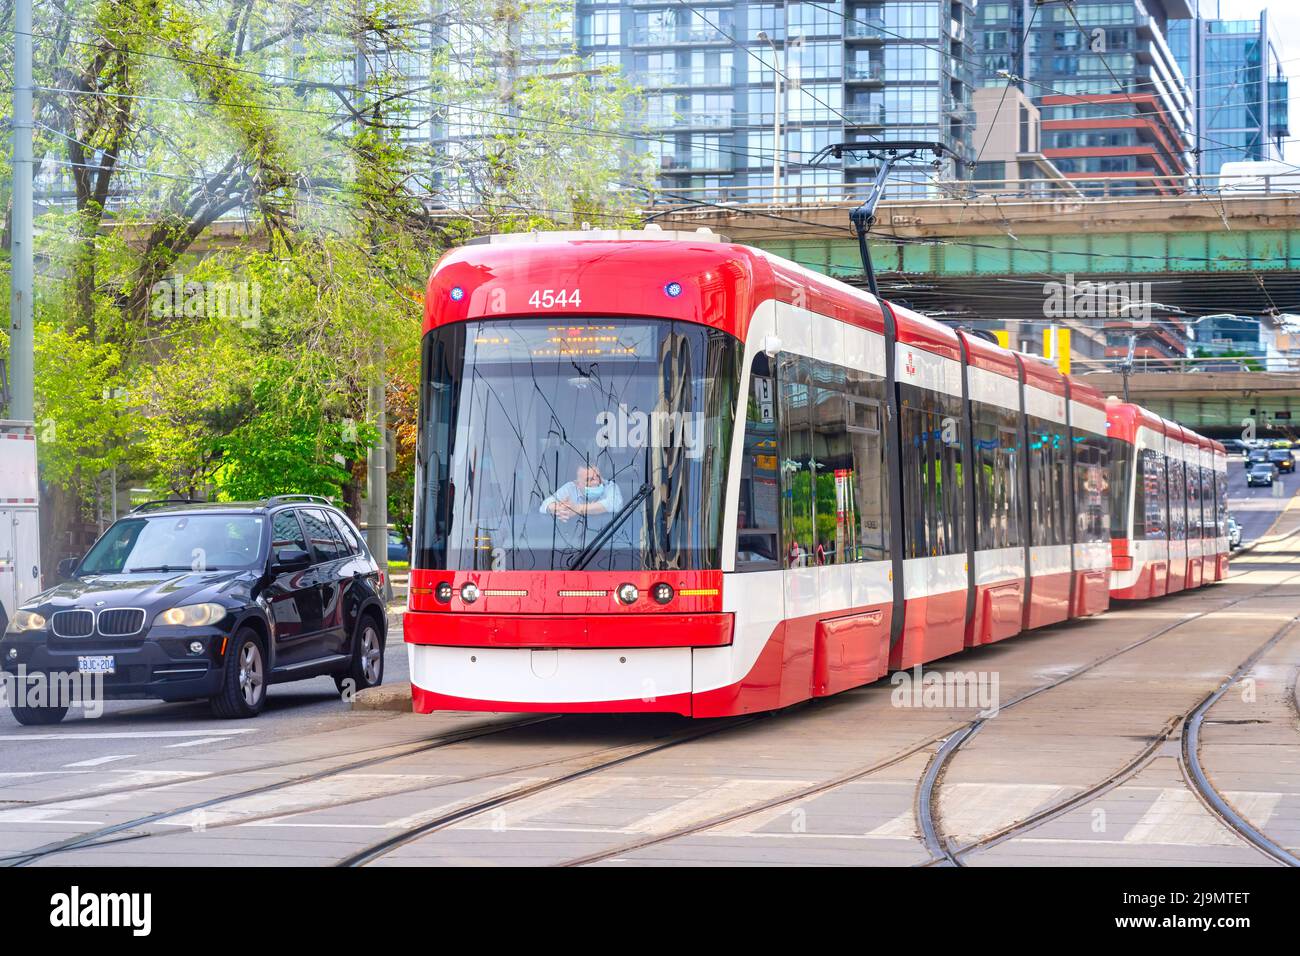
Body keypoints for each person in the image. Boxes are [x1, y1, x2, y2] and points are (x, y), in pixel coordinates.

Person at [540, 464, 623, 522]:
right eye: (589, 479)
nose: (596, 482)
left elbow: (615, 503)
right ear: (577, 483)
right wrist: (559, 509)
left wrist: (577, 509)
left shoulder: (609, 486)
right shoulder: (570, 488)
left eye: (598, 476)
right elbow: (545, 504)